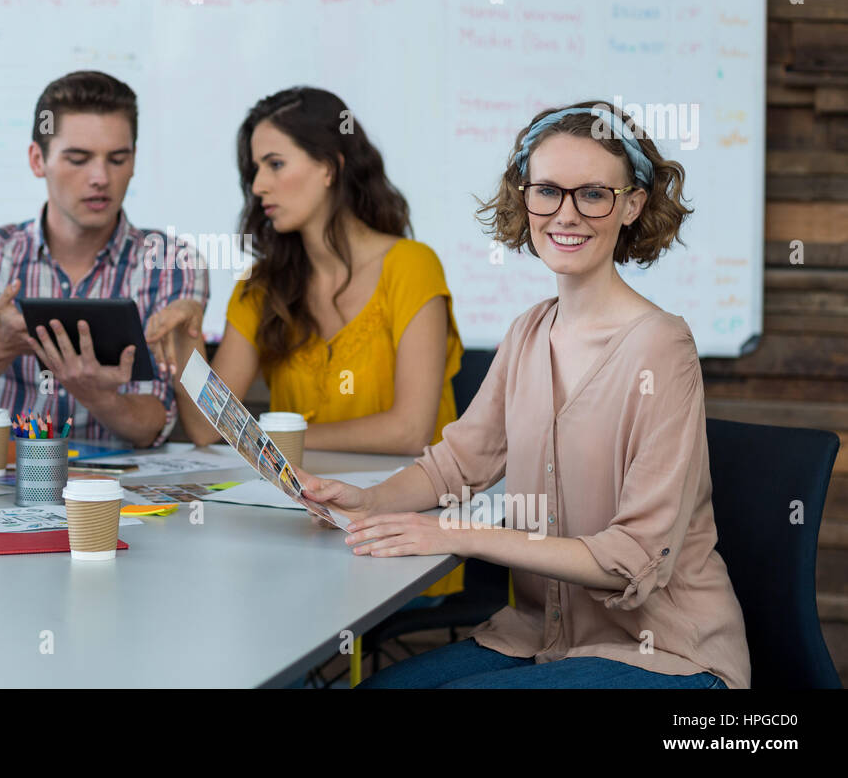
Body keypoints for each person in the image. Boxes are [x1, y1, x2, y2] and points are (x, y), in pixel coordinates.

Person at [305, 102, 749, 688]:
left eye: (593, 193)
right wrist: (373, 501)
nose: (566, 214)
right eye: (547, 191)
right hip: (540, 637)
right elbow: (457, 465)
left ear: (632, 204)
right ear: (525, 198)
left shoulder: (661, 347)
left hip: (665, 655)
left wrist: (457, 534)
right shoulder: (528, 332)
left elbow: (631, 557)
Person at [149, 86, 466, 602]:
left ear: (331, 166)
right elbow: (209, 433)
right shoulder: (261, 286)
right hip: (300, 525)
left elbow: (410, 431)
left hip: (400, 526)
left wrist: (283, 448)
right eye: (253, 170)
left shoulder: (411, 265)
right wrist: (187, 343)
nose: (258, 186)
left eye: (275, 164)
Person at [0, 70, 209, 448]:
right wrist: (1, 344)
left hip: (117, 492)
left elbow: (154, 423)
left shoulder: (172, 264)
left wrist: (98, 395)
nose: (100, 177)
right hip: (3, 483)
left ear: (133, 162)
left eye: (117, 159)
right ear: (37, 160)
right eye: (78, 159)